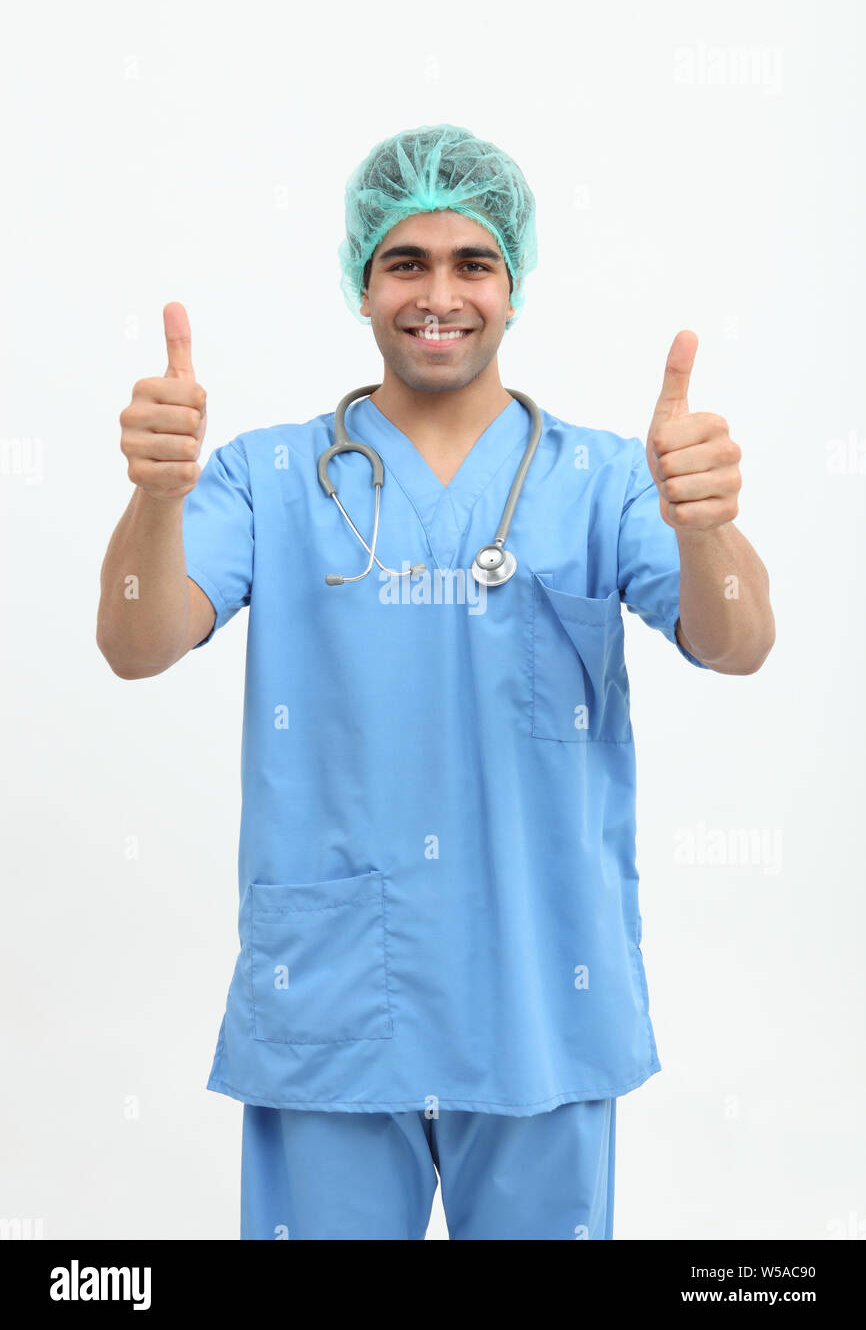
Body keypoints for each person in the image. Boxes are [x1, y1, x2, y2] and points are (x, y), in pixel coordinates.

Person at [96, 124, 775, 1240]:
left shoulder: (604, 478)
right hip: (331, 998)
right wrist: (156, 499)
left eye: (473, 262)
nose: (439, 293)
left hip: (538, 994)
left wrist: (705, 528)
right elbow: (136, 642)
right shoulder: (267, 477)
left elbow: (737, 642)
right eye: (405, 262)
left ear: (514, 285)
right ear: (360, 285)